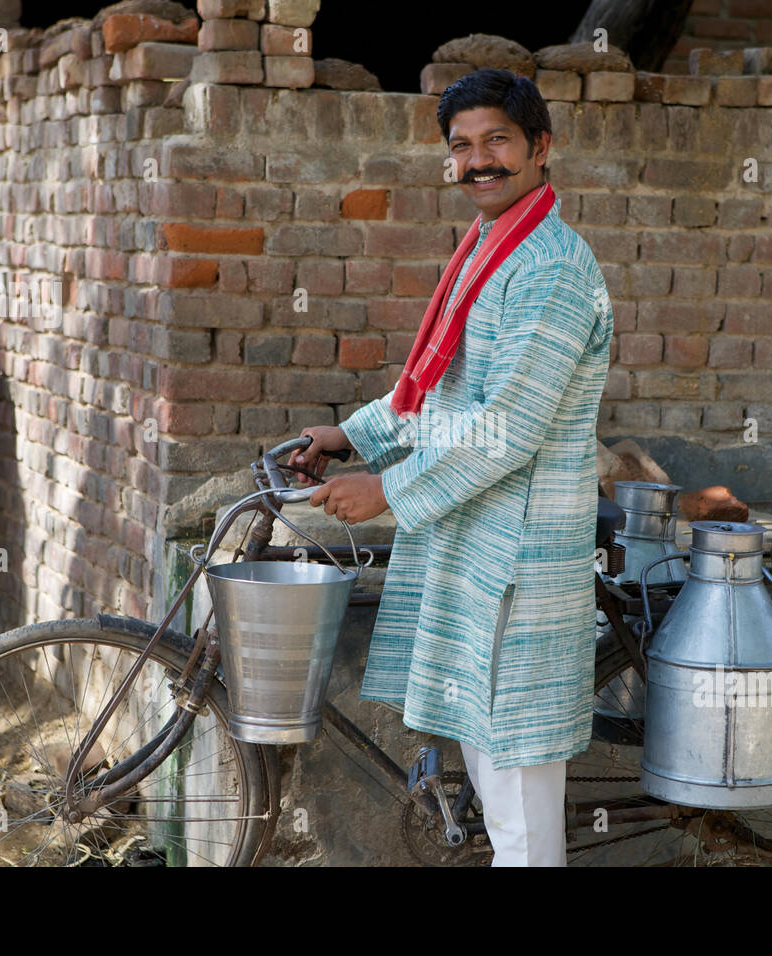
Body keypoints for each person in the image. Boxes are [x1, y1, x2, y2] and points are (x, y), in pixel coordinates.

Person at [294, 68, 611, 866]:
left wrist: (389, 487)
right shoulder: (488, 246)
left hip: (521, 557)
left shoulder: (549, 269)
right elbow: (438, 391)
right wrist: (352, 435)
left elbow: (505, 429)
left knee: (520, 801)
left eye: (497, 140)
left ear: (541, 147)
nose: (478, 162)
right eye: (462, 146)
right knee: (494, 766)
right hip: (479, 541)